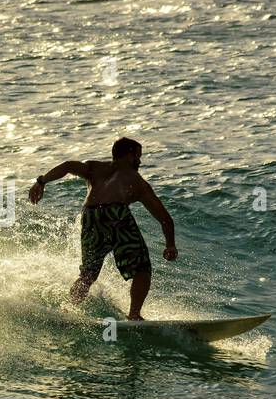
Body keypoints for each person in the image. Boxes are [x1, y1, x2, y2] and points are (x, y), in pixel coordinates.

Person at [28, 137, 177, 320]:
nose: (139, 161)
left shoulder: (93, 168)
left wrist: (41, 181)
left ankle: (67, 312)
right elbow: (165, 219)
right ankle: (134, 315)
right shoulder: (135, 180)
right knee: (142, 269)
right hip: (116, 217)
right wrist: (170, 245)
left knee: (88, 275)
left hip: (90, 217)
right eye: (138, 156)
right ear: (129, 155)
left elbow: (67, 166)